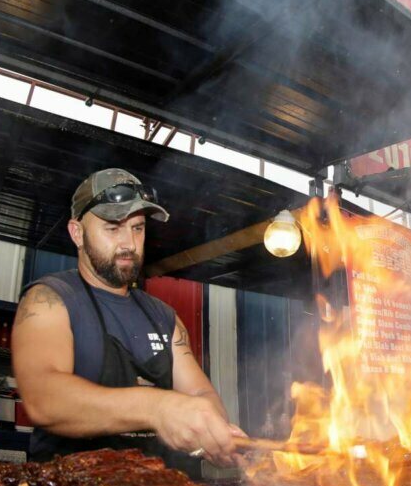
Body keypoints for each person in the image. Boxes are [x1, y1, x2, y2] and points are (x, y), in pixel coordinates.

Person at [12, 168, 242, 464]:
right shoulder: (49, 300)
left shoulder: (164, 317)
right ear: (77, 233)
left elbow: (200, 393)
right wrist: (157, 409)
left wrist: (209, 431)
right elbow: (43, 399)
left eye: (138, 228)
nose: (129, 244)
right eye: (112, 228)